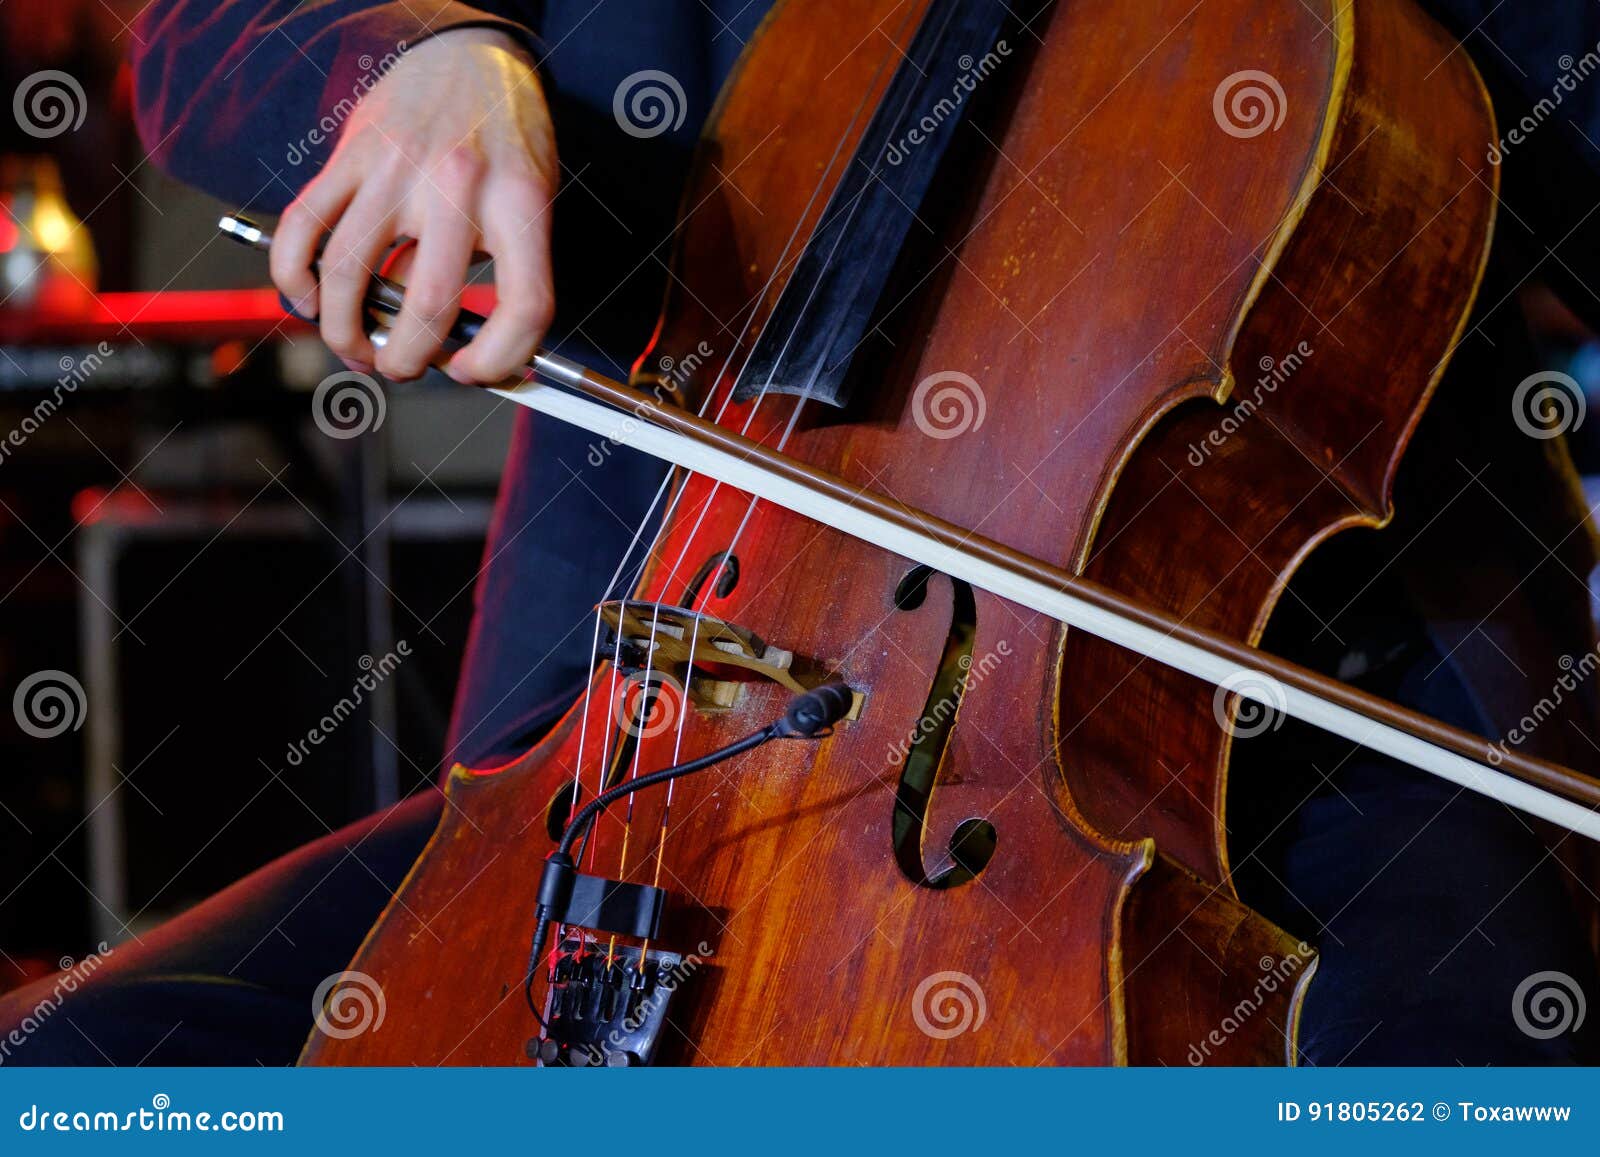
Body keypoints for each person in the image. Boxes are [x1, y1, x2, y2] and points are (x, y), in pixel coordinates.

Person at [2, 0, 1598, 1065]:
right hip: (655, 711)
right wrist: (424, 59)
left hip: (1313, 684)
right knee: (74, 1069)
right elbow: (208, 31)